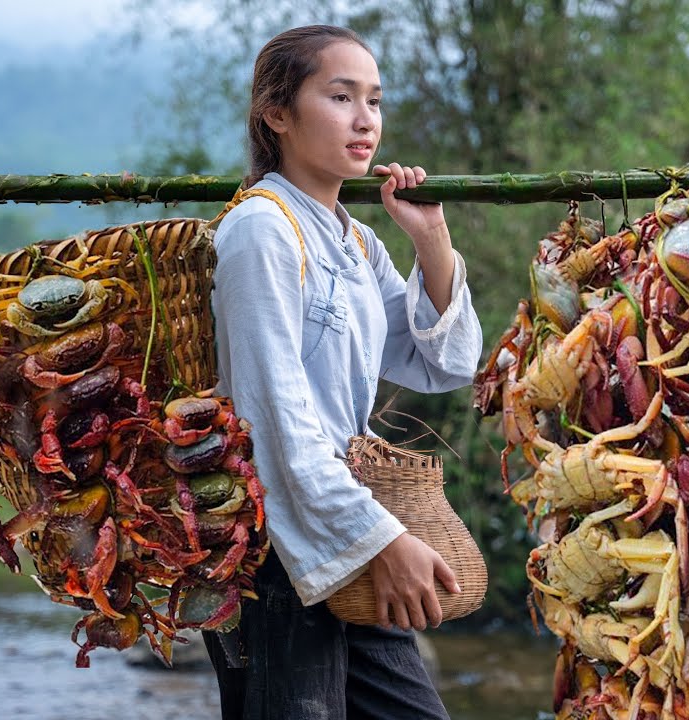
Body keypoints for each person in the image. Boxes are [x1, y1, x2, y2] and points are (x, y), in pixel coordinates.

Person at [200, 24, 483, 720]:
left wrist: (431, 237)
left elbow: (442, 362)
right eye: (340, 96)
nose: (365, 121)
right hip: (271, 542)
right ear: (277, 113)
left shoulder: (355, 241)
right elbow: (275, 418)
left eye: (375, 102)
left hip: (346, 529)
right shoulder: (261, 230)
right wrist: (388, 540)